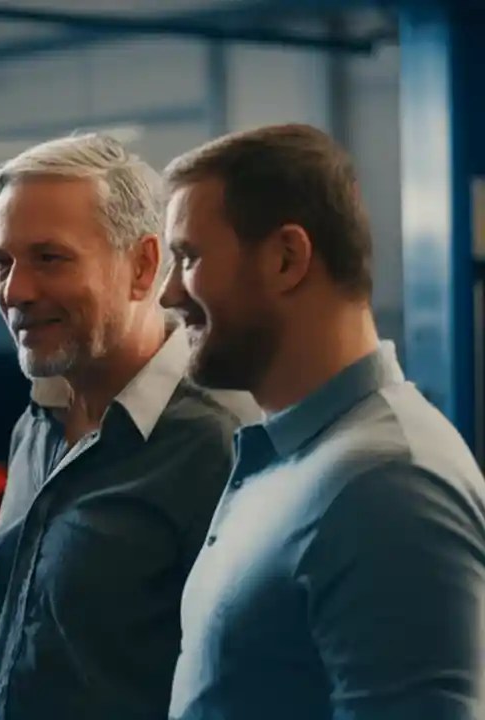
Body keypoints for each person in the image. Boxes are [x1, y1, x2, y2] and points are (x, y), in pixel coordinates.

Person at [161, 123, 485, 719]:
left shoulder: (388, 484)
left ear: (287, 259)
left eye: (188, 257)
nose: (167, 295)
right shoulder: (292, 459)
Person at [0, 133, 259, 719]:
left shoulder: (220, 445)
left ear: (143, 266)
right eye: (2, 262)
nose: (15, 292)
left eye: (48, 258)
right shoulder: (35, 428)